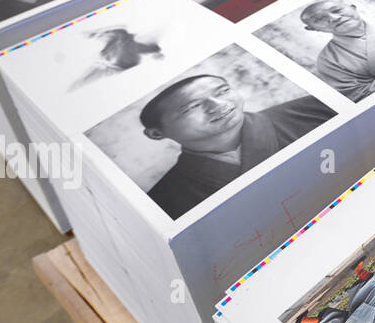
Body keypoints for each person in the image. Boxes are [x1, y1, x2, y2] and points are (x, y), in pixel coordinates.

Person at [139, 72, 335, 218]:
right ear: (156, 133)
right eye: (193, 106)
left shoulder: (318, 109)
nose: (218, 105)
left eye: (223, 91)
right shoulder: (162, 203)